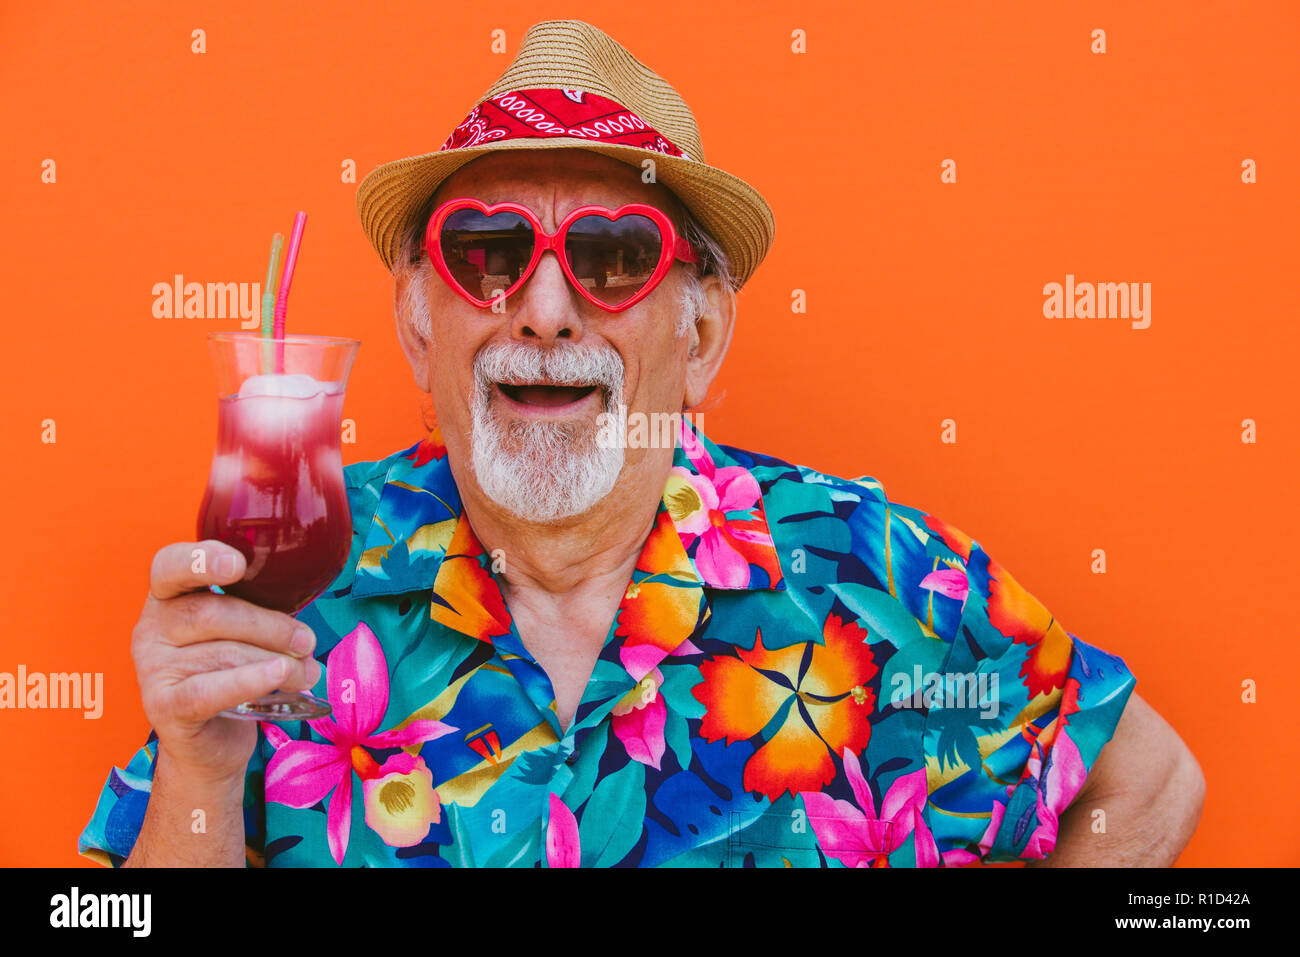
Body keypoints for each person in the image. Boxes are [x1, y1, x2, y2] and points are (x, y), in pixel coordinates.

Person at [80, 19, 1204, 868]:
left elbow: (1149, 781)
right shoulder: (289, 600)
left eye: (615, 255)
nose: (547, 311)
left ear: (701, 328)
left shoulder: (878, 572)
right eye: (488, 250)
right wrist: (196, 769)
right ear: (421, 323)